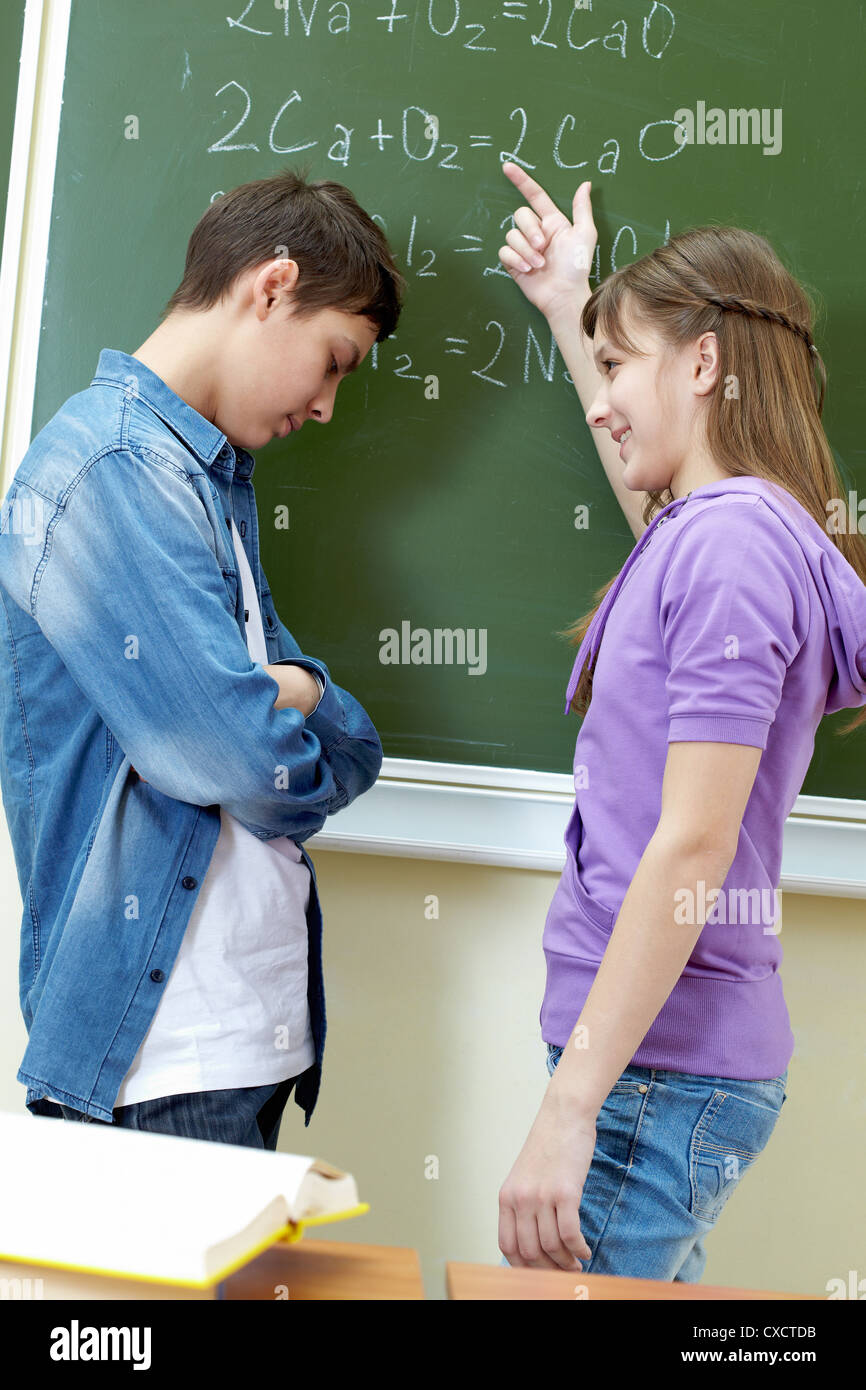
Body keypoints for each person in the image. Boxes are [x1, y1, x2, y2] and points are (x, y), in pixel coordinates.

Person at [494, 162, 866, 1281]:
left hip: (653, 1067)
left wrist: (568, 1108)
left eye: (618, 367)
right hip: (661, 1058)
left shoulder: (731, 545)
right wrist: (573, 311)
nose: (599, 400)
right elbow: (654, 519)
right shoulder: (724, 535)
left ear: (702, 362)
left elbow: (694, 843)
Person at [0, 167, 405, 1149]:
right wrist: (296, 711)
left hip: (235, 1040)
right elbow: (231, 754)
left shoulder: (208, 477)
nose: (325, 408)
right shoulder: (108, 471)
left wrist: (299, 696)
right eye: (335, 360)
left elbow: (336, 742)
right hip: (165, 1053)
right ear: (270, 289)